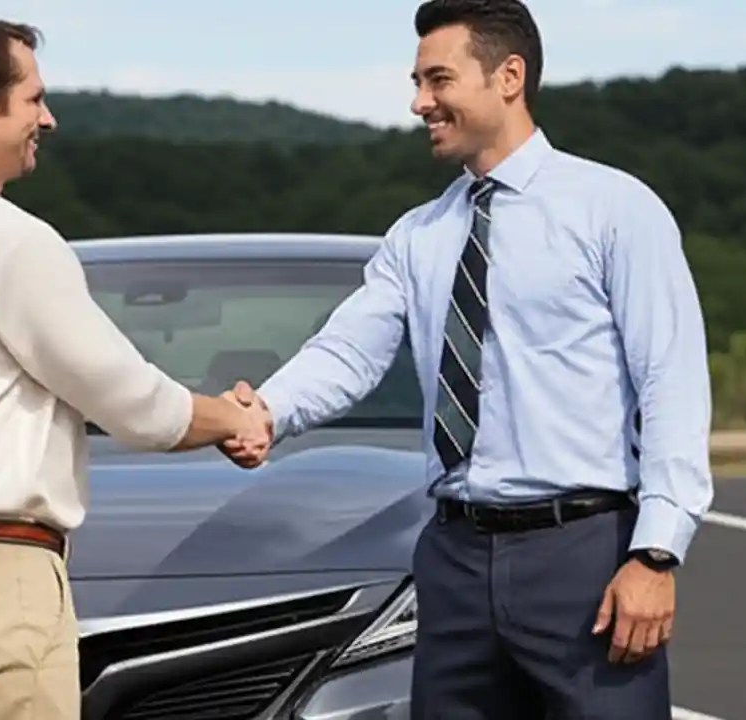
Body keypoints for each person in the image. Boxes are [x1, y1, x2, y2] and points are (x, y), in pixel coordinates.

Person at [221, 0, 714, 717]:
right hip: (453, 562)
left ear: (508, 76)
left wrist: (656, 553)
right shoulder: (419, 235)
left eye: (438, 79)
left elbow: (672, 383)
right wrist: (266, 410)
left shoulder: (615, 209)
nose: (420, 101)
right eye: (418, 82)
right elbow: (346, 351)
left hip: (584, 554)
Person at [0, 14, 268, 720]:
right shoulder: (9, 240)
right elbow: (132, 402)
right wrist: (235, 416)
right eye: (35, 98)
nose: (50, 117)